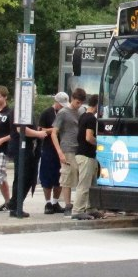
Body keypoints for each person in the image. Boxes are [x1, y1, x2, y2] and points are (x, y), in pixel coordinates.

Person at [0, 85, 45, 217]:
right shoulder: (11, 111)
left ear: (5, 97)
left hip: (6, 148)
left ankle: (3, 203)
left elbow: (13, 132)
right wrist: (38, 134)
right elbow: (19, 130)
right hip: (12, 147)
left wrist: (3, 140)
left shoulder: (10, 111)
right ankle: (11, 204)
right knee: (6, 177)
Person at [51, 87, 86, 217]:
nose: (79, 105)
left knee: (79, 175)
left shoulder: (82, 111)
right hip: (67, 147)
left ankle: (78, 204)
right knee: (67, 176)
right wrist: (59, 151)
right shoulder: (63, 112)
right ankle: (67, 204)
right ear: (72, 99)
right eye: (77, 102)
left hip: (79, 147)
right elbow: (54, 133)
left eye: (81, 103)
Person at [38, 92, 69, 213]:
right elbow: (40, 130)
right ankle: (47, 202)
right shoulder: (47, 113)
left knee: (59, 177)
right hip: (48, 149)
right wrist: (54, 130)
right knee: (47, 177)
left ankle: (56, 201)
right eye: (60, 104)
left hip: (62, 147)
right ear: (56, 102)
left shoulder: (65, 113)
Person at [71, 94, 100, 220]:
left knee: (92, 184)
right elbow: (89, 137)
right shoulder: (91, 119)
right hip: (86, 154)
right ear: (97, 105)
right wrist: (99, 143)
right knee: (84, 184)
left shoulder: (82, 116)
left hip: (84, 154)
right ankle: (77, 209)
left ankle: (91, 208)